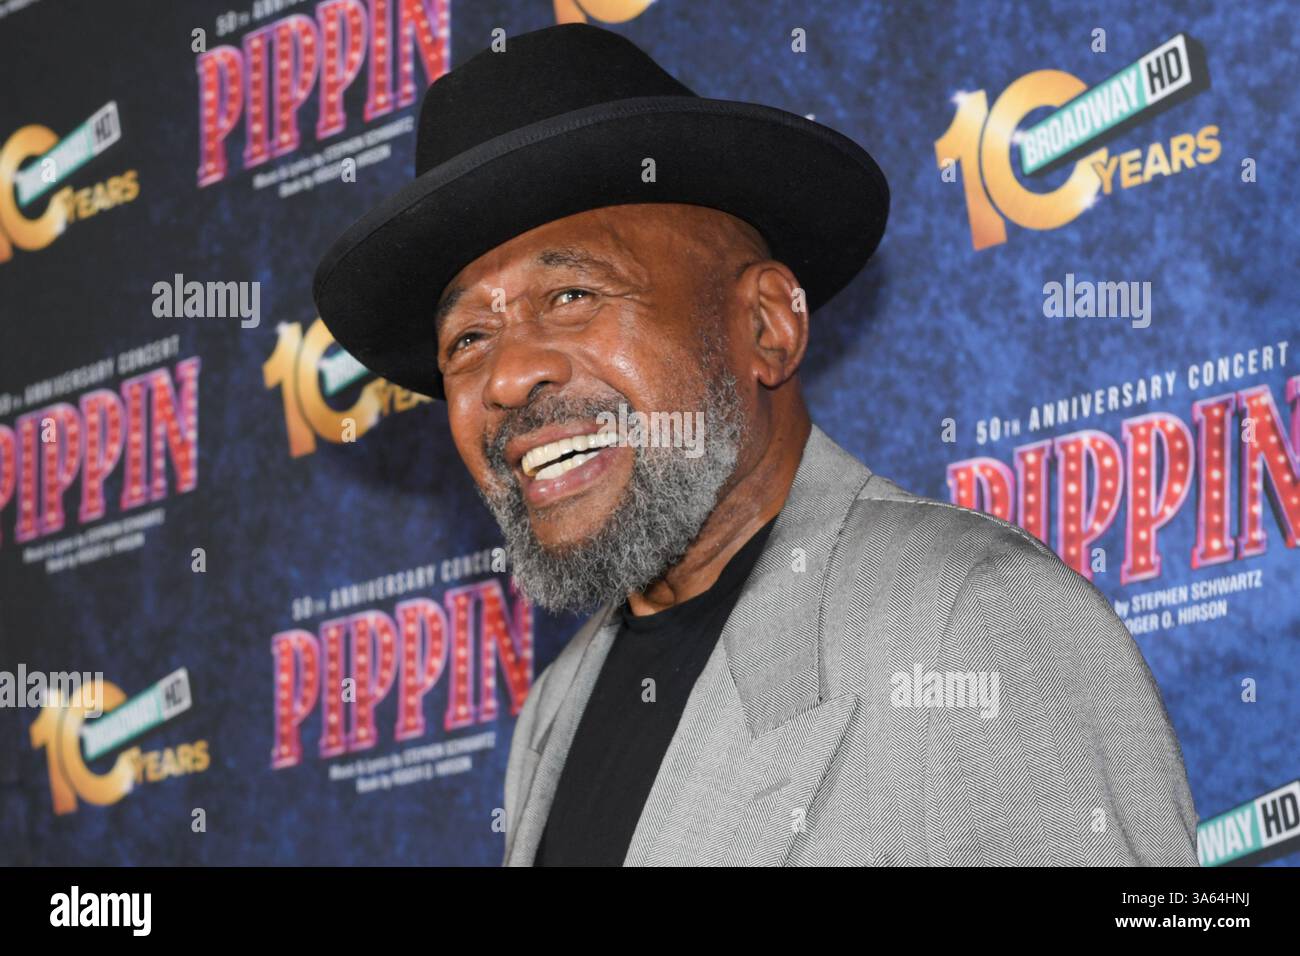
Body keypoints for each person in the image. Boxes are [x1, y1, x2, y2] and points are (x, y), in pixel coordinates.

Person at [314, 23, 1199, 866]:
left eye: (574, 295)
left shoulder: (976, 623)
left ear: (769, 325)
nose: (505, 377)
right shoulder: (558, 704)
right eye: (467, 340)